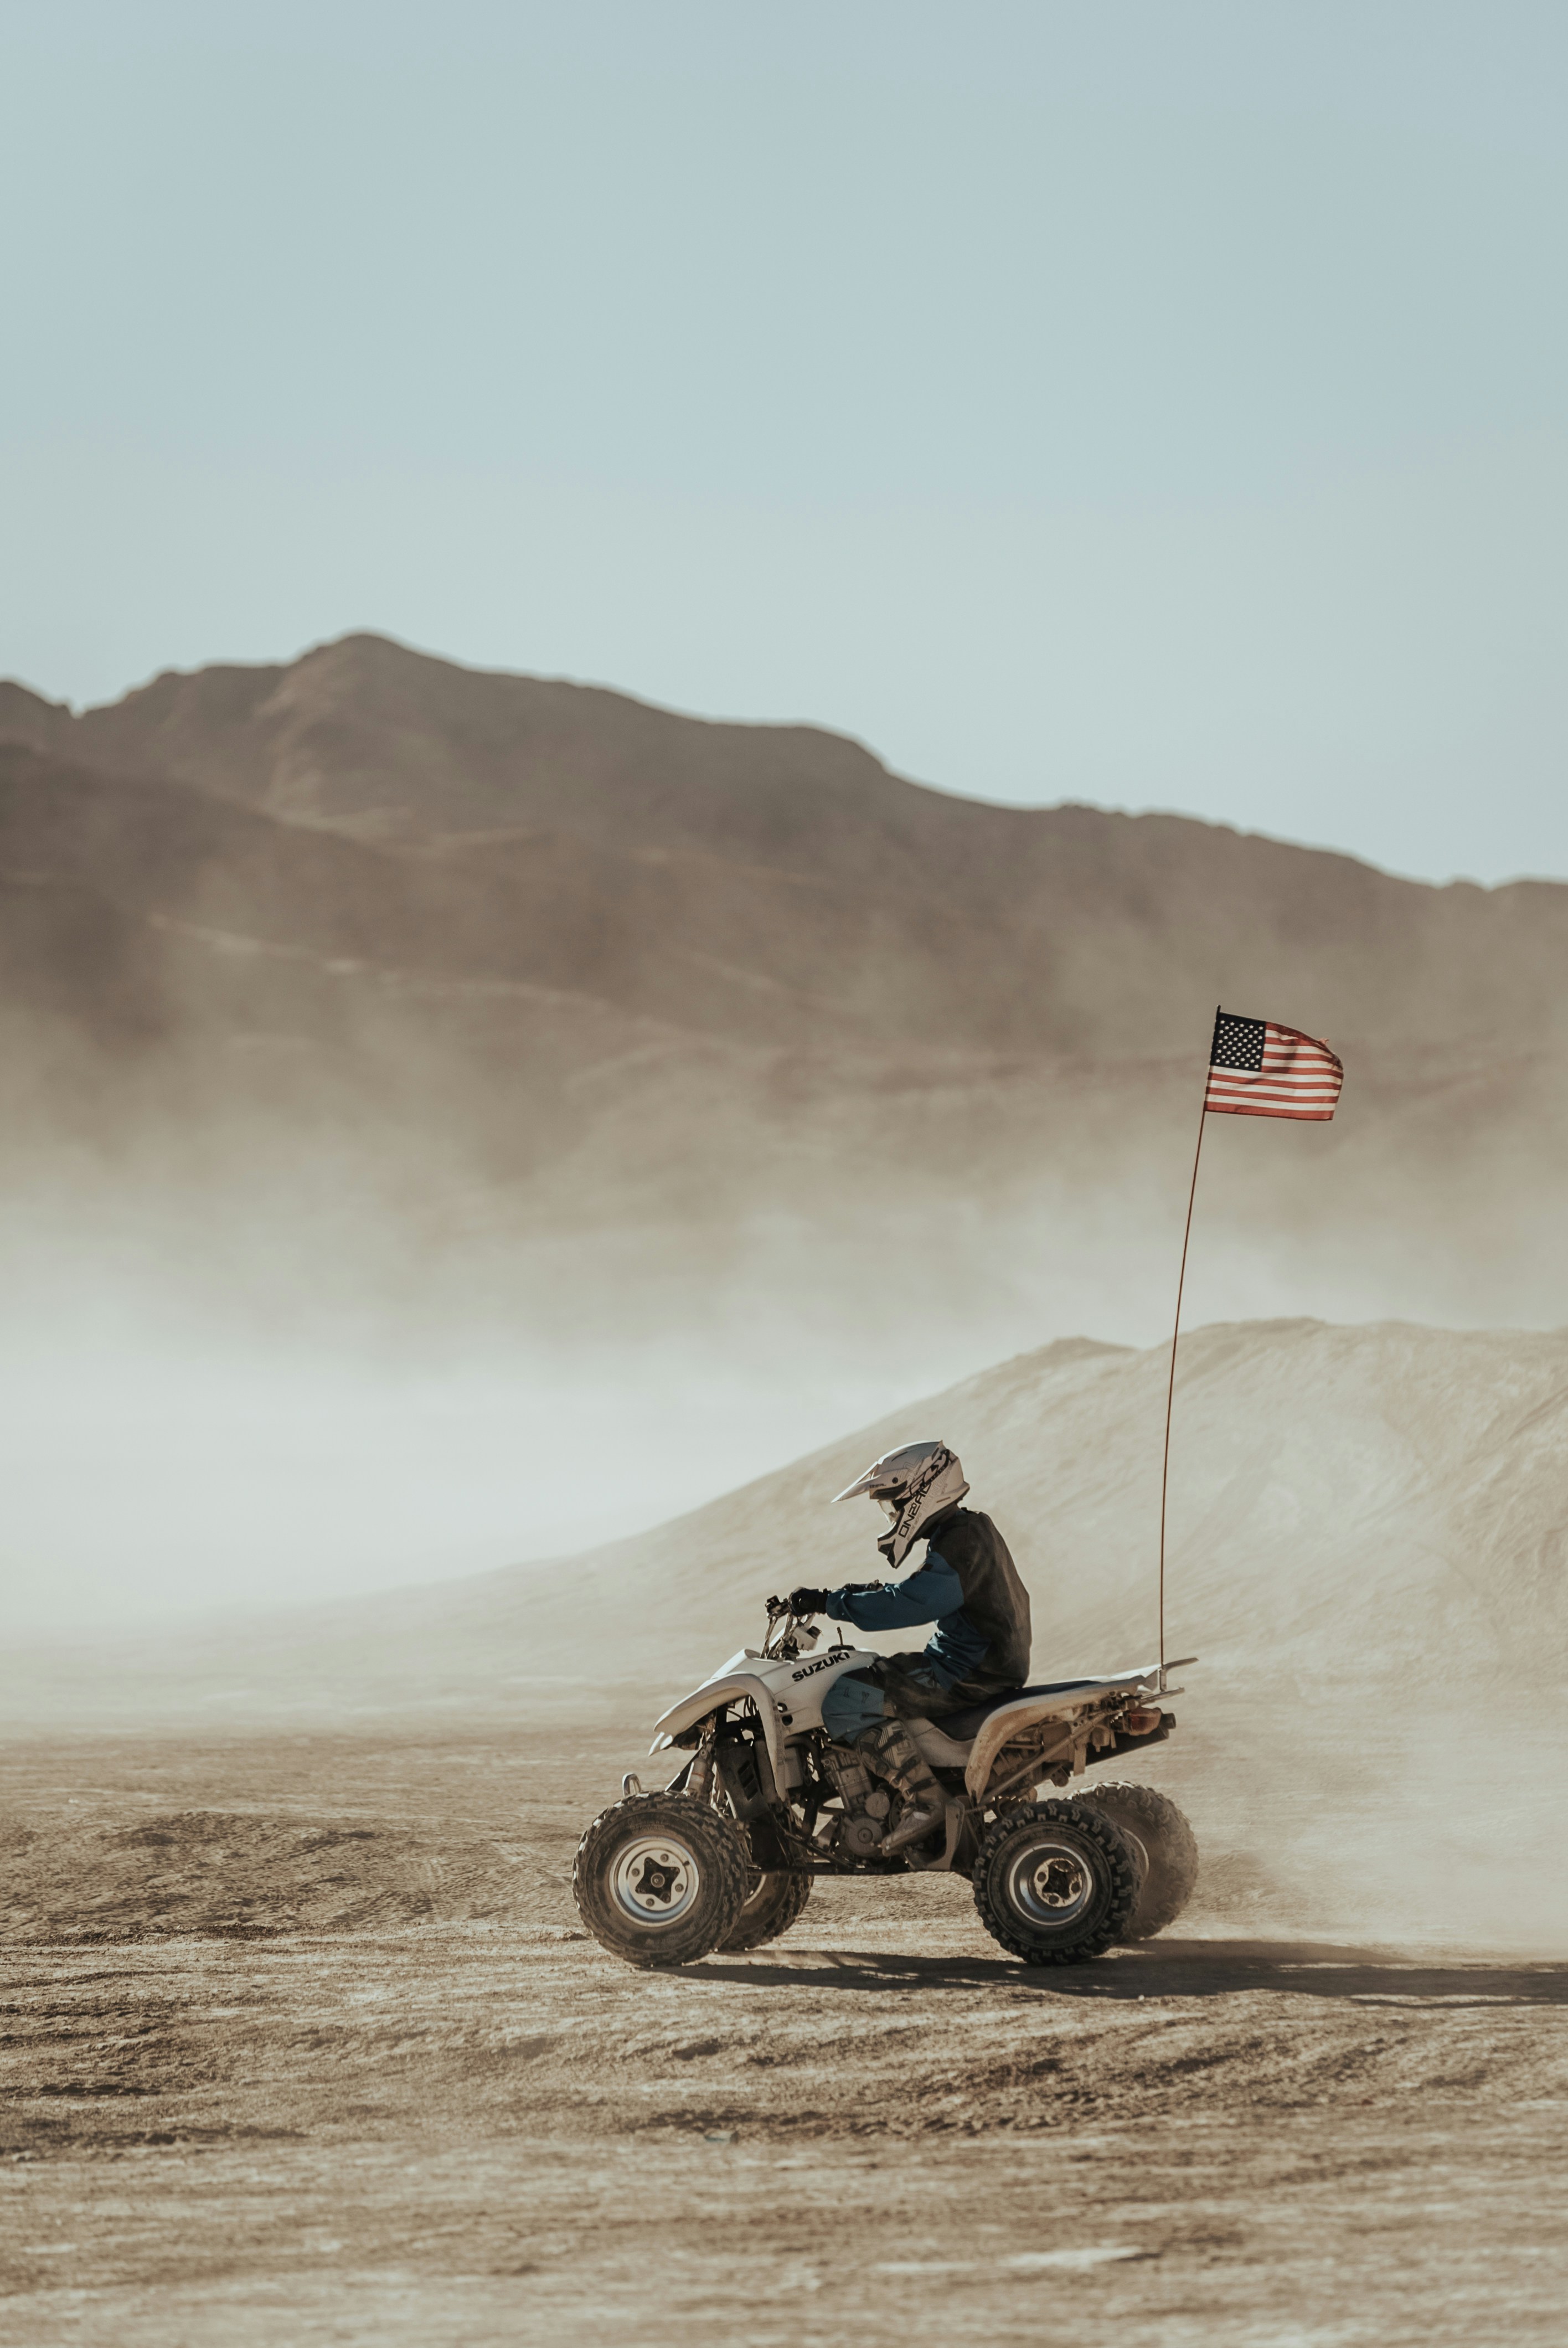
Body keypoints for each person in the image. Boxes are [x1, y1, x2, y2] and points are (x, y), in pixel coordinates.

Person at [785, 1440, 1031, 1855]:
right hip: (980, 1665)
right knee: (871, 1674)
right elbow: (915, 1590)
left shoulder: (962, 1540)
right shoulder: (966, 1531)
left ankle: (923, 1799)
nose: (893, 1516)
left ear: (920, 1493)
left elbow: (912, 1603)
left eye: (893, 1505)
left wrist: (829, 1602)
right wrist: (845, 1595)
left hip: (966, 1672)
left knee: (846, 1698)